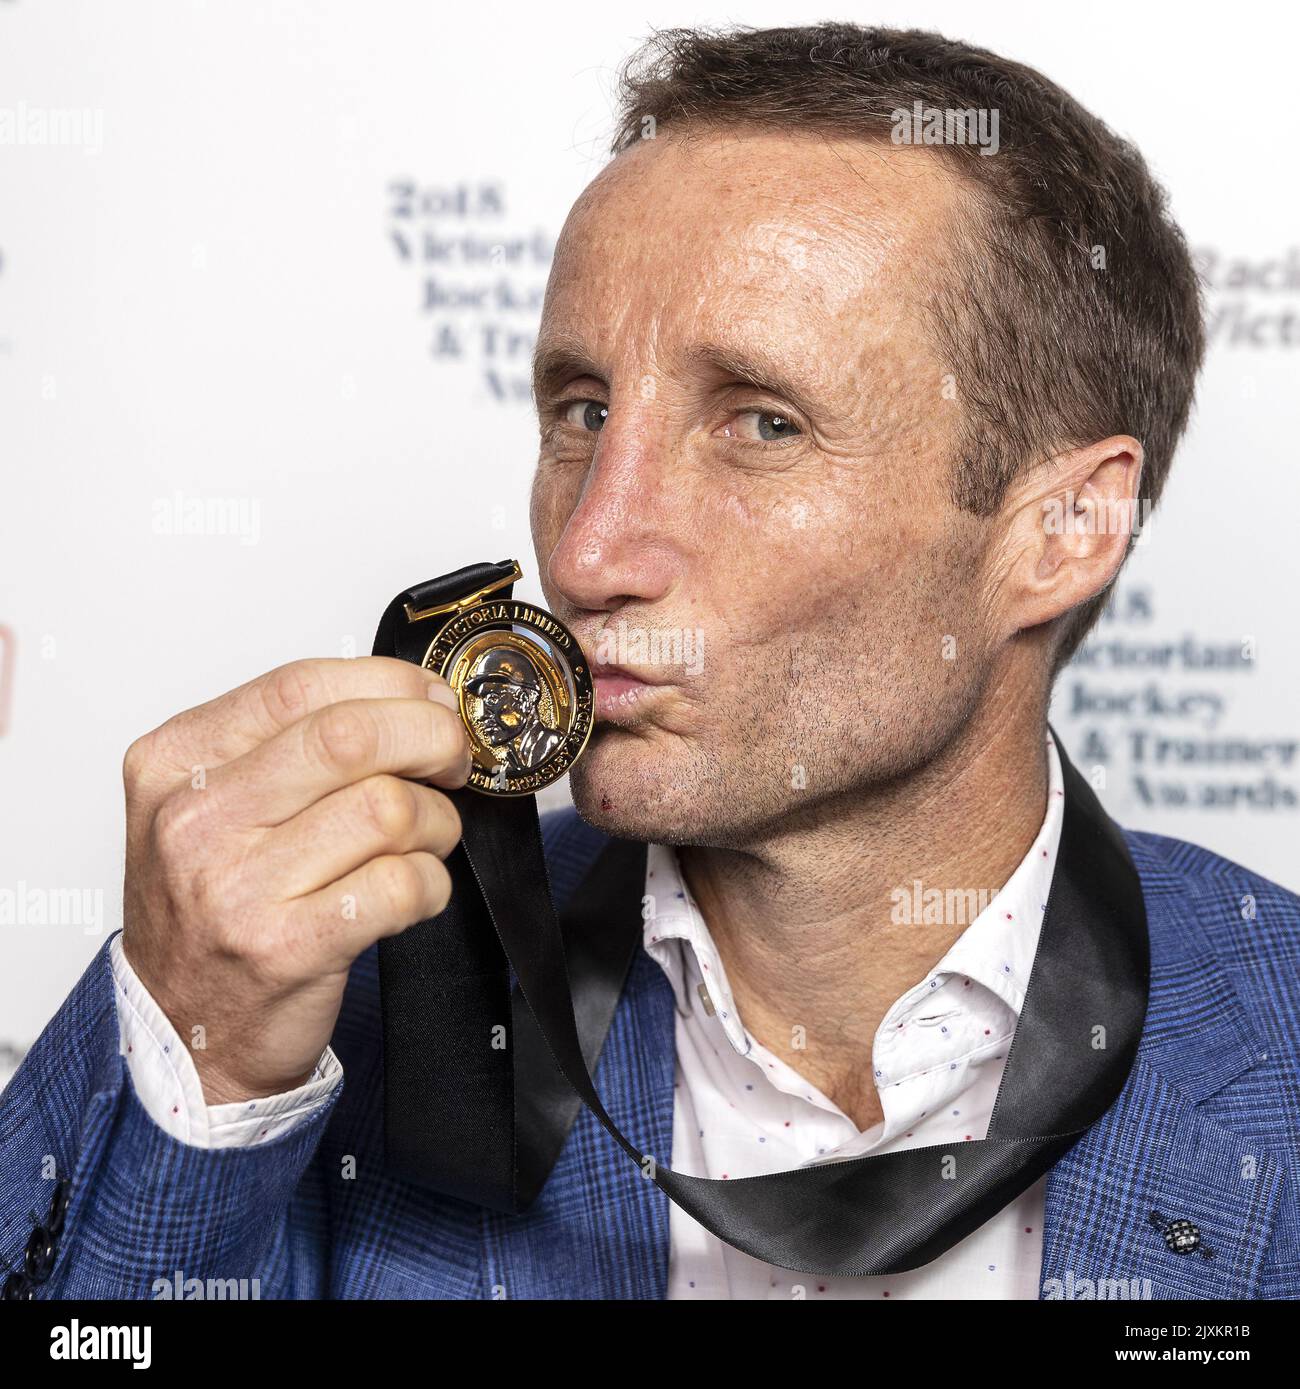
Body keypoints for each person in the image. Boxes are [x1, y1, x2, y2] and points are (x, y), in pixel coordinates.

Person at [2, 23, 1296, 1301]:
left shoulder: (1275, 1045)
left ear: (1062, 529)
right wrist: (204, 1065)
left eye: (762, 422)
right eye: (583, 411)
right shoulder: (348, 1012)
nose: (590, 545)